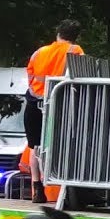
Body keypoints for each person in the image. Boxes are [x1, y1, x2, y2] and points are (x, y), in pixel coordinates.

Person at [24, 19, 83, 203]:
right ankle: (65, 189)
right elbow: (81, 78)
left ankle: (37, 189)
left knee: (34, 146)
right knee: (62, 145)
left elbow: (30, 75)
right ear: (75, 36)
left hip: (34, 103)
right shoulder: (75, 50)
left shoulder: (39, 52)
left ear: (58, 33)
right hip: (59, 106)